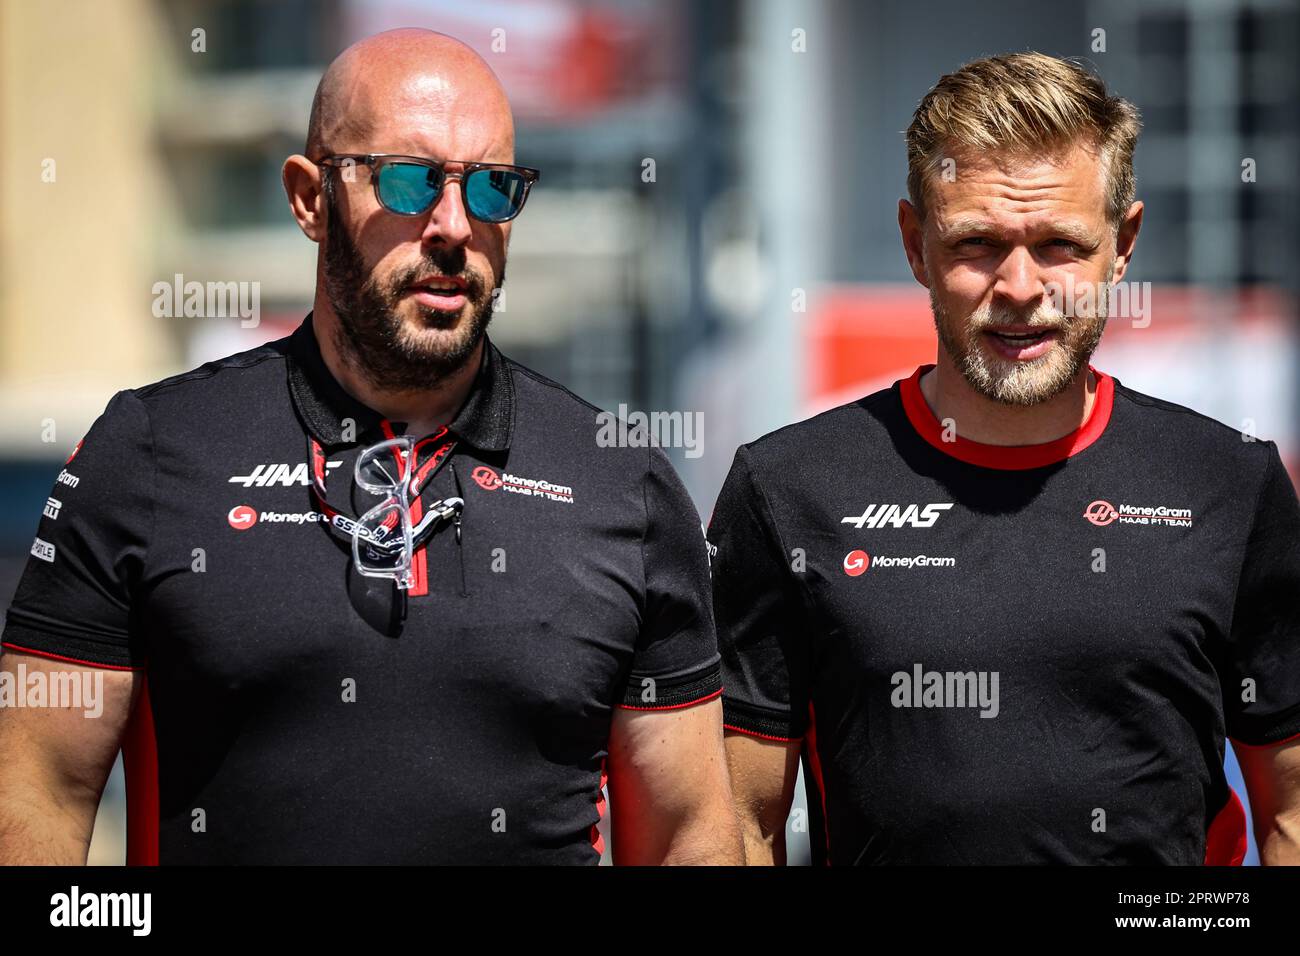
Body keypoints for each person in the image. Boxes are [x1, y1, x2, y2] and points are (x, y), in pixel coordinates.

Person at [0, 28, 741, 865]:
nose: (455, 226)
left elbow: (689, 831)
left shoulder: (621, 480)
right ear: (311, 199)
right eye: (410, 179)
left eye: (493, 189)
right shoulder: (150, 451)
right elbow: (37, 794)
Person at [711, 52, 1300, 865]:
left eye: (1060, 244)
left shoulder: (1229, 484)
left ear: (1122, 246)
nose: (1020, 287)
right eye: (978, 244)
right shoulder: (788, 491)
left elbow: (1292, 816)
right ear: (916, 246)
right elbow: (734, 829)